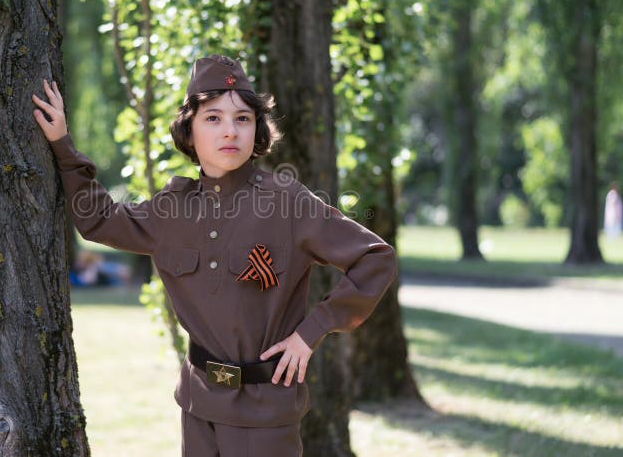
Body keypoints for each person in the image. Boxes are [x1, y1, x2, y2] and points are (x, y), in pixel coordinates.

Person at [31, 55, 397, 456]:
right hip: (198, 406)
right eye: (213, 118)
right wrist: (62, 146)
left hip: (266, 415)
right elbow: (98, 220)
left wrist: (312, 332)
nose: (230, 131)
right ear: (189, 130)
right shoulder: (173, 208)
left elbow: (375, 258)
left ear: (257, 130)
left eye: (243, 119)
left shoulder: (289, 202)